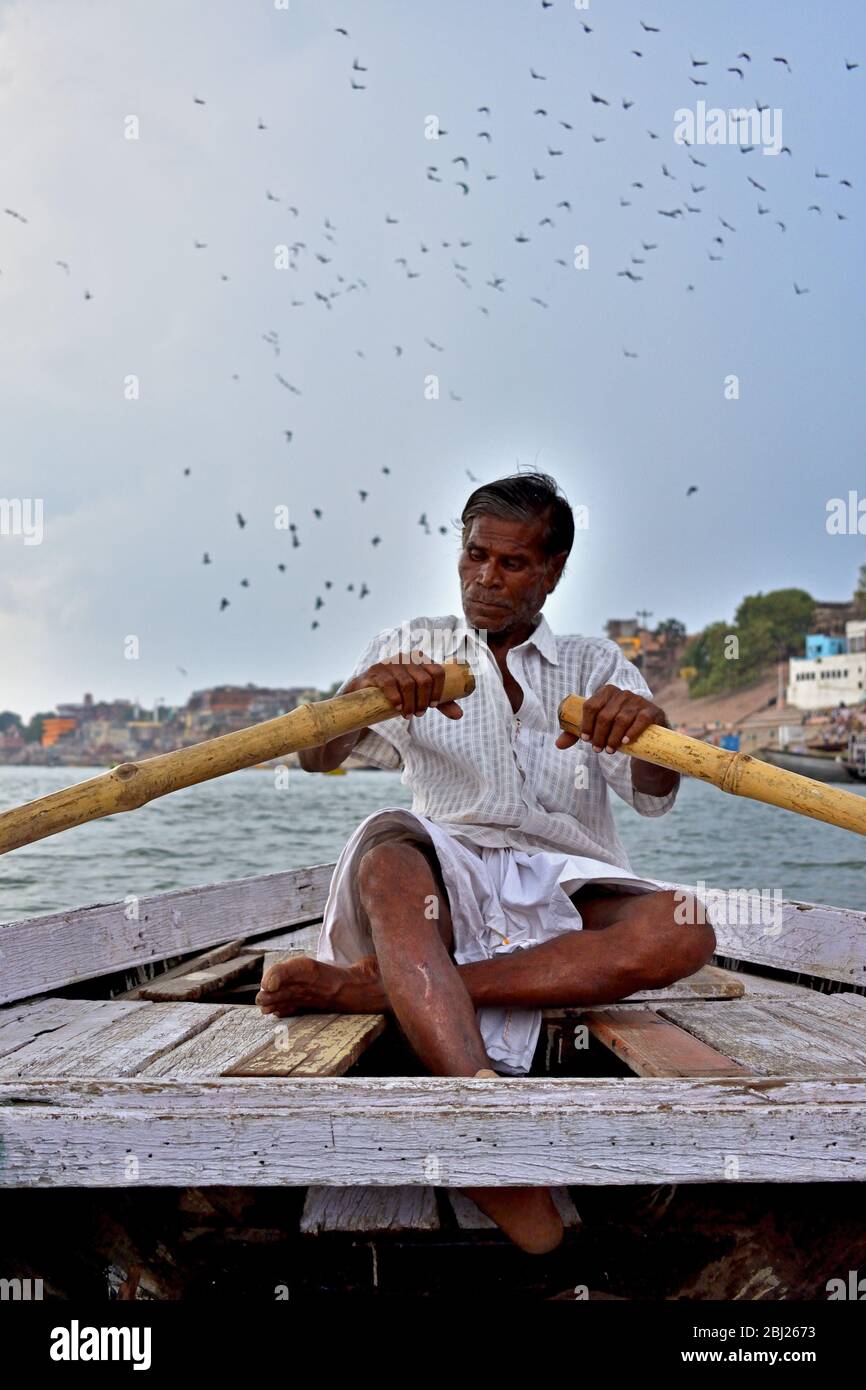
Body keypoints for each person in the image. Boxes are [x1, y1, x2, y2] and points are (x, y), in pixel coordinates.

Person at [257, 472, 715, 1252]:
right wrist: (362, 693)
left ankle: (388, 988)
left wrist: (647, 726)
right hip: (449, 871)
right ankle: (482, 1127)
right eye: (475, 557)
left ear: (554, 571)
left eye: (512, 564)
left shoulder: (592, 663)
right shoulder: (412, 648)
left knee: (687, 929)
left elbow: (654, 788)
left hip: (564, 879)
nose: (486, 579)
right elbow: (314, 755)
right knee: (384, 852)